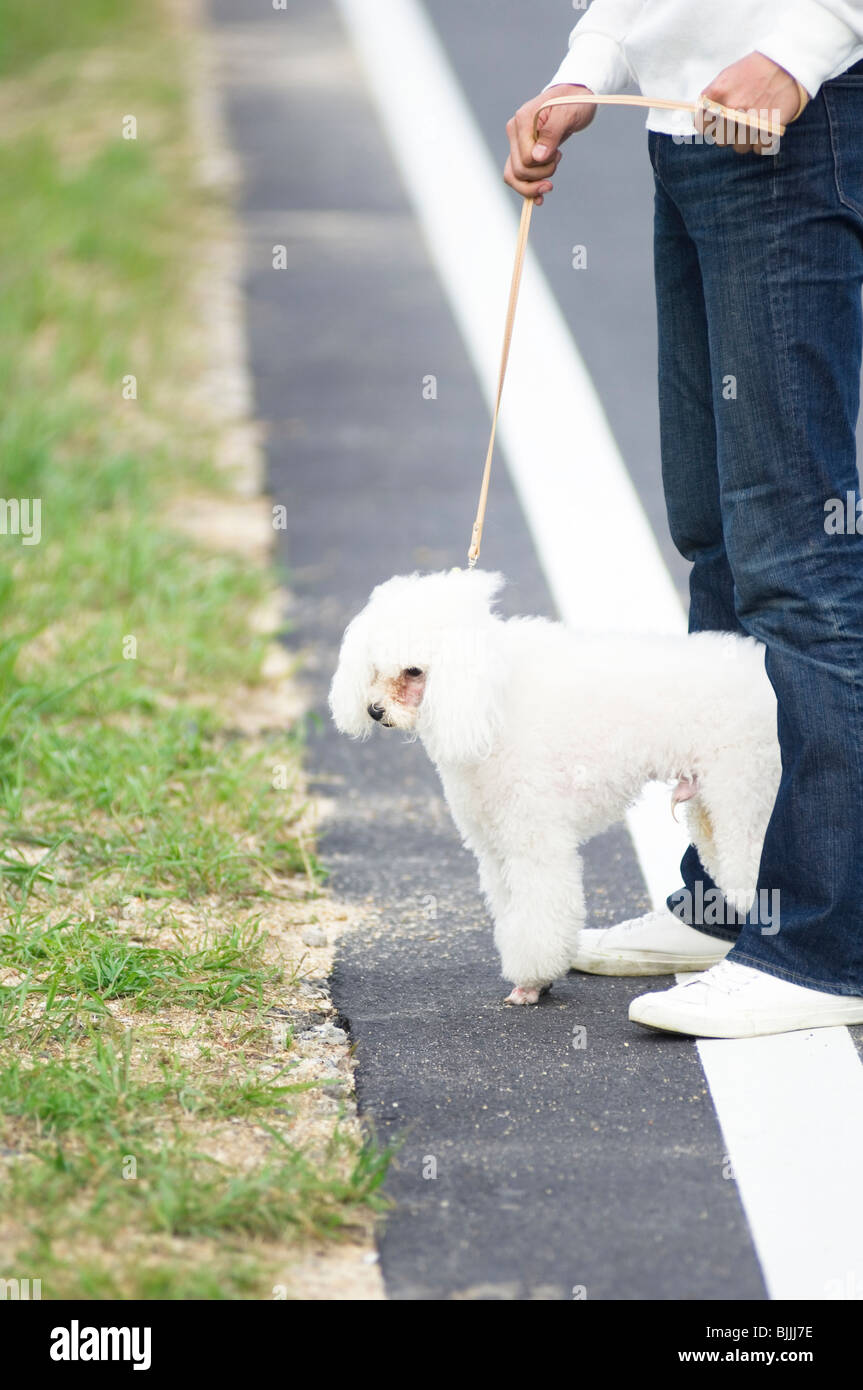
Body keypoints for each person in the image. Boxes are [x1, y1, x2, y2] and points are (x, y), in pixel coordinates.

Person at [504, 0, 863, 1037]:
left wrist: (802, 51)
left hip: (794, 124)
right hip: (689, 133)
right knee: (716, 529)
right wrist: (588, 64)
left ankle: (824, 943)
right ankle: (729, 896)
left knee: (796, 547)